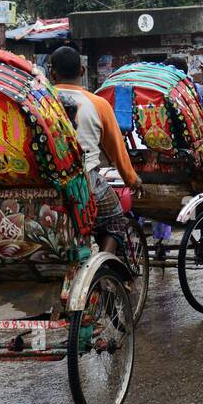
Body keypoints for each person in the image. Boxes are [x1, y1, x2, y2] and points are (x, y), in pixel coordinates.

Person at [48, 45, 143, 258]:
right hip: (86, 182)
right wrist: (132, 179)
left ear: (52, 73)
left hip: (44, 182)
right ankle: (104, 265)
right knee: (115, 220)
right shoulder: (98, 104)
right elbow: (117, 151)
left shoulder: (39, 101)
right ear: (82, 71)